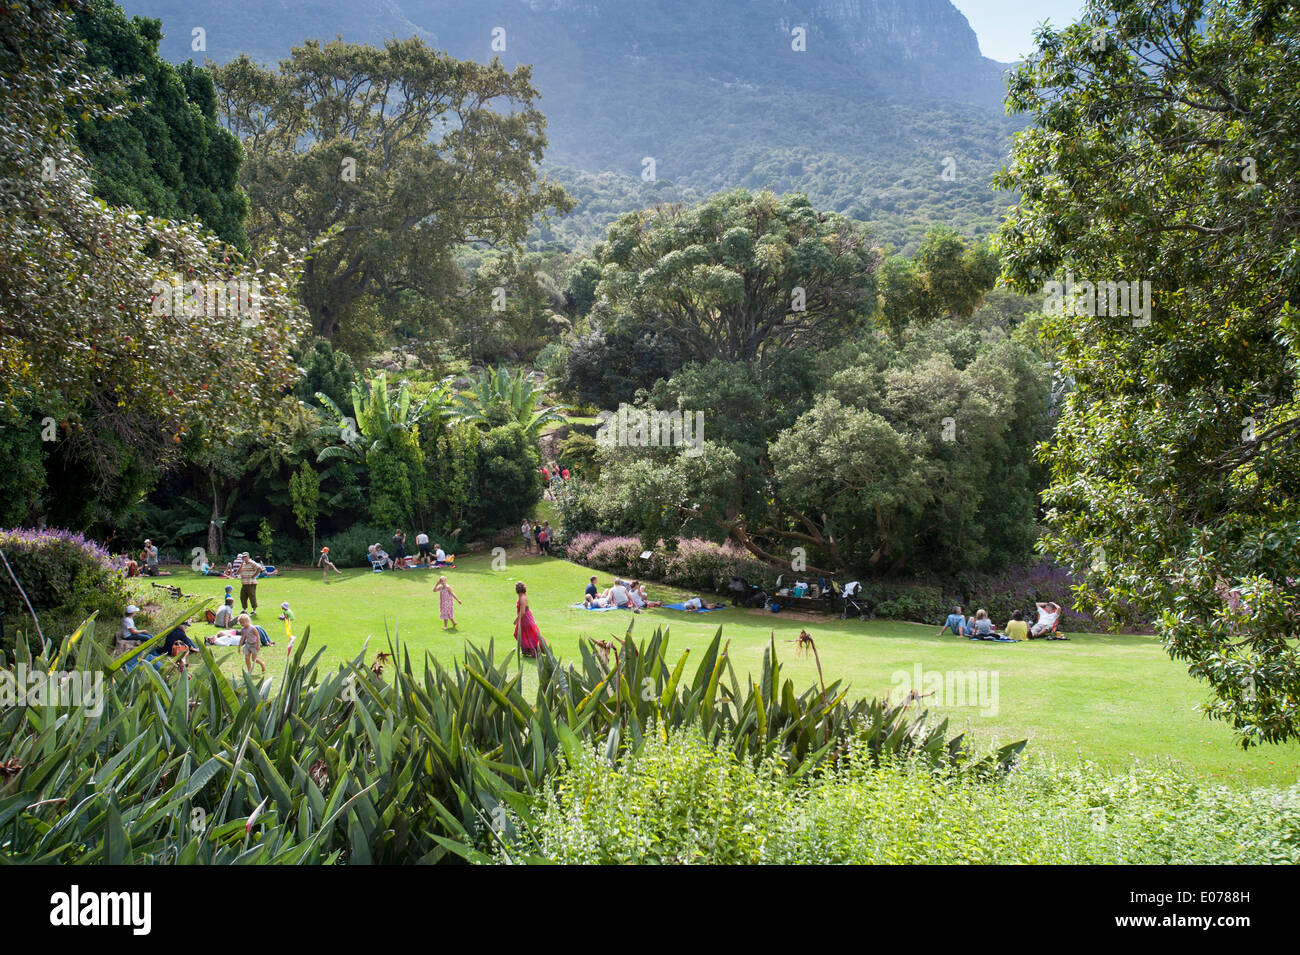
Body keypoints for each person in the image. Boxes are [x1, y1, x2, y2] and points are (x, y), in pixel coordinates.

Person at [513, 581, 547, 657]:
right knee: (525, 635)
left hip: (525, 619)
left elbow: (522, 612)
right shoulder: (523, 595)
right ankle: (527, 651)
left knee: (525, 635)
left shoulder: (522, 598)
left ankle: (533, 651)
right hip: (526, 618)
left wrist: (516, 620)